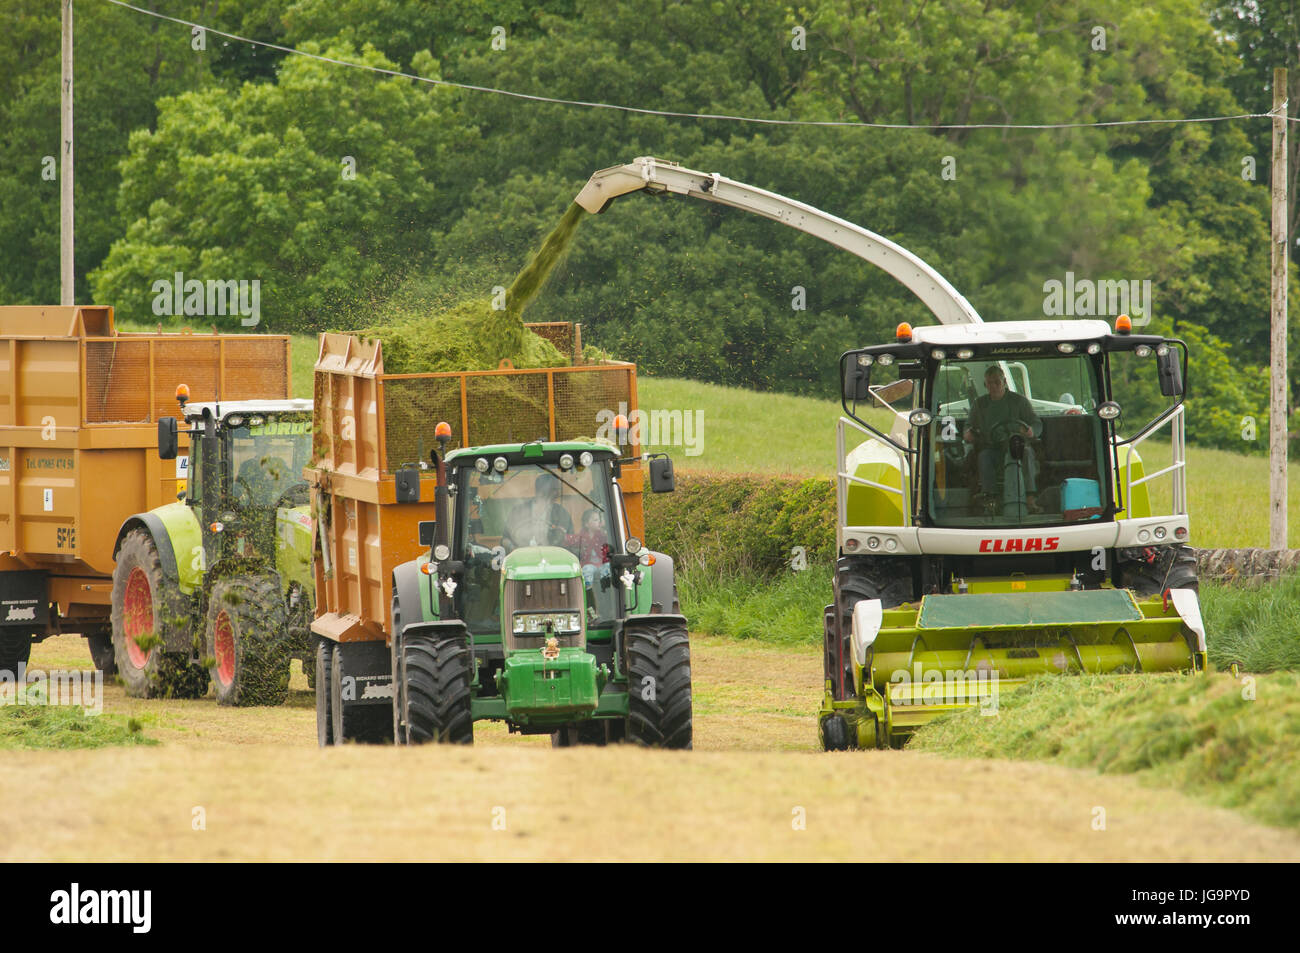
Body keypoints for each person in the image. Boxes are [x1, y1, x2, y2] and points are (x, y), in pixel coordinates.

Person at [962, 365, 1042, 509]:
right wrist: (968, 433)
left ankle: (1030, 497)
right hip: (991, 448)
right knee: (984, 456)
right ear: (985, 385)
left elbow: (1036, 423)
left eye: (997, 382)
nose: (993, 386)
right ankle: (990, 498)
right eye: (989, 383)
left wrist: (1031, 431)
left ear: (1004, 381)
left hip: (1016, 446)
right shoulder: (979, 405)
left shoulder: (1019, 401)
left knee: (1027, 452)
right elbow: (968, 427)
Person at [504, 472, 573, 549]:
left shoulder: (561, 513)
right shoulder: (518, 511)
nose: (557, 493)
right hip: (523, 557)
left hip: (553, 558)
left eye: (557, 490)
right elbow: (505, 539)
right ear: (540, 490)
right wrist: (513, 548)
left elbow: (570, 539)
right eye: (554, 490)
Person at [566, 507, 610, 586]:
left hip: (602, 563)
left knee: (607, 566)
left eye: (599, 520)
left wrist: (603, 524)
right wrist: (563, 536)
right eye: (596, 520)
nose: (599, 522)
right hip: (589, 563)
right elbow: (571, 540)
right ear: (587, 524)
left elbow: (607, 539)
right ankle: (587, 587)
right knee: (587, 569)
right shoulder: (582, 537)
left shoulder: (602, 535)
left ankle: (605, 584)